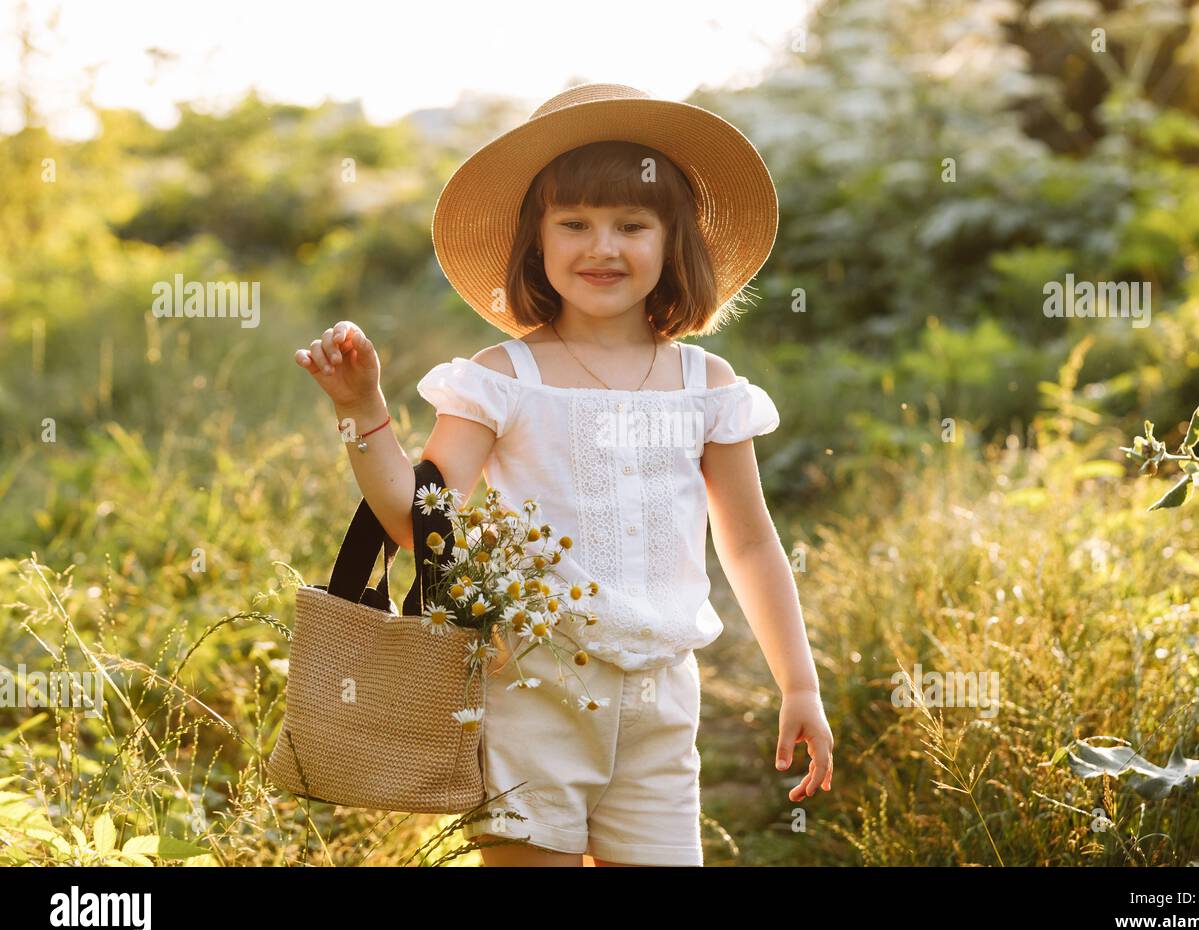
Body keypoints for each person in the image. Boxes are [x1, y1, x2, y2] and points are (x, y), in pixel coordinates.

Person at [294, 83, 833, 867]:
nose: (602, 247)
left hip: (662, 699)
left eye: (632, 224)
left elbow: (749, 545)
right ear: (536, 241)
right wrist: (363, 409)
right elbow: (421, 519)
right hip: (529, 691)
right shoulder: (504, 377)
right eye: (574, 223)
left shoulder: (706, 385)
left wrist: (800, 685)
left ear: (673, 239)